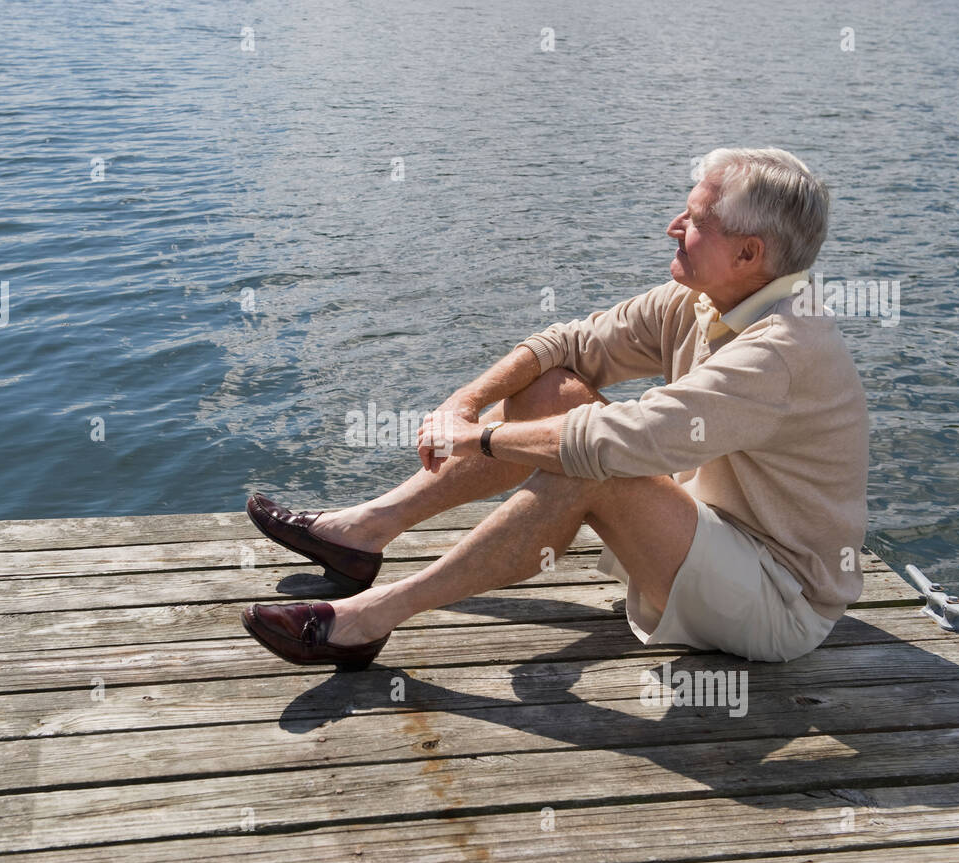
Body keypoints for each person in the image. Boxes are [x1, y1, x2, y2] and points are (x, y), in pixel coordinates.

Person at [241, 147, 869, 670]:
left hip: (776, 600)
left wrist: (476, 440)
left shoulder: (782, 350)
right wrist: (466, 402)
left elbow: (620, 440)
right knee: (551, 391)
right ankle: (366, 531)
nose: (674, 225)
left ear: (749, 254)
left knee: (590, 466)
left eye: (697, 219)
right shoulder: (708, 299)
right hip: (701, 540)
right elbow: (566, 344)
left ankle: (371, 616)